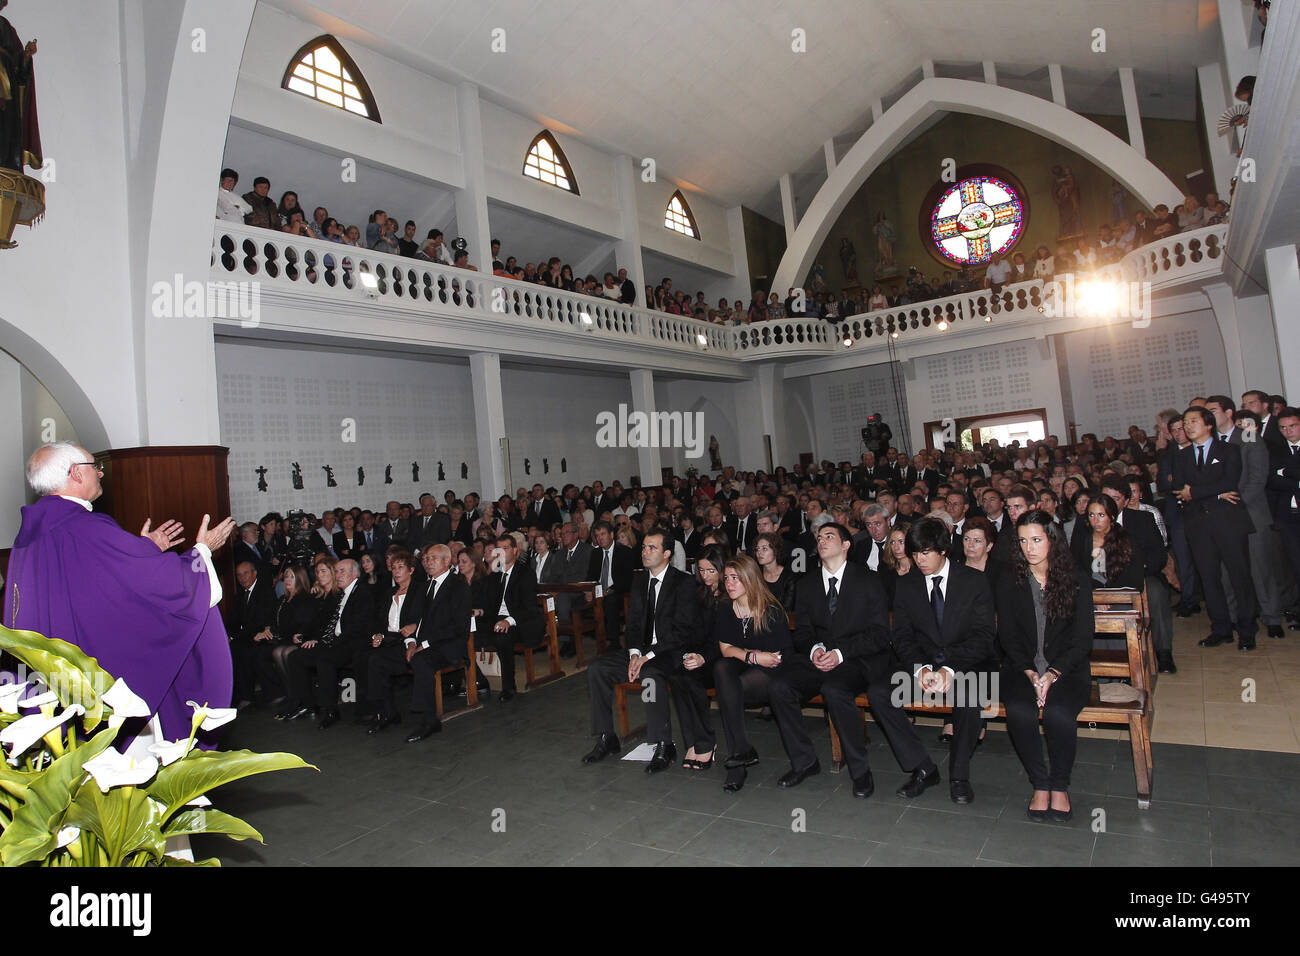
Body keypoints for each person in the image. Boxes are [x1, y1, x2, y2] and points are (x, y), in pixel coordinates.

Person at [5, 442, 236, 744]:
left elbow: (92, 584)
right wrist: (202, 551)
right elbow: (161, 585)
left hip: (57, 676)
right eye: (93, 467)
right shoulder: (85, 527)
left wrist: (145, 549)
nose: (100, 473)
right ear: (75, 473)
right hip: (102, 674)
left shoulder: (32, 533)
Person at [768, 523, 906, 800]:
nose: (822, 541)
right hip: (820, 658)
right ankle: (804, 761)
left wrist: (840, 653)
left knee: (835, 689)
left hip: (859, 658)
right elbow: (804, 632)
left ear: (846, 545)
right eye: (819, 537)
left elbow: (880, 634)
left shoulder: (868, 580)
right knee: (780, 686)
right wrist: (815, 649)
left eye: (829, 536)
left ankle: (860, 770)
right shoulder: (807, 583)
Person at [889, 518, 996, 804]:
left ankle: (959, 775)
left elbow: (984, 636)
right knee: (879, 692)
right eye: (914, 553)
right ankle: (923, 767)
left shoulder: (973, 581)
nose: (919, 560)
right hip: (922, 665)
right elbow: (901, 636)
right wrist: (921, 669)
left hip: (967, 664)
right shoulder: (907, 584)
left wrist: (949, 669)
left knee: (970, 697)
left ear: (943, 550)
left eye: (925, 553)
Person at [997, 511, 1094, 823]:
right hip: (1021, 668)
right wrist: (1028, 670)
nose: (1030, 548)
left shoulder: (1076, 580)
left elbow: (1082, 640)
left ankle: (1059, 785)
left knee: (1058, 713)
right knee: (1020, 711)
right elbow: (1008, 636)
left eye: (1036, 539)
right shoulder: (1010, 581)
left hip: (1067, 668)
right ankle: (1040, 783)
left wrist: (1052, 674)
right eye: (1023, 540)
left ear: (1052, 540)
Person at [582, 529, 698, 773]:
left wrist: (647, 657)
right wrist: (635, 653)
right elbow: (633, 623)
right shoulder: (640, 580)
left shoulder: (684, 582)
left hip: (669, 652)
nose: (645, 552)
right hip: (642, 651)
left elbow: (682, 631)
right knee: (597, 669)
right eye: (644, 547)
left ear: (667, 553)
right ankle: (606, 737)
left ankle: (663, 743)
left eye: (652, 548)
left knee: (651, 676)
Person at [1169, 406, 1258, 650]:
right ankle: (1221, 629)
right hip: (1198, 525)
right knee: (1209, 579)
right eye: (1185, 422)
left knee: (1240, 576)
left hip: (1228, 523)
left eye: (1193, 421)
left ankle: (1248, 630)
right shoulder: (1182, 457)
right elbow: (1178, 488)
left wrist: (1196, 492)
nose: (1188, 426)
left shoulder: (1229, 450)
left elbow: (1230, 482)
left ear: (1209, 424)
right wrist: (1217, 494)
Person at [708, 553, 793, 793]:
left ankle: (739, 759)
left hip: (774, 670)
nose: (729, 584)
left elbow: (776, 656)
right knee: (722, 668)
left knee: (729, 687)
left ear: (749, 579)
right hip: (749, 664)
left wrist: (748, 655)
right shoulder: (726, 608)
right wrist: (753, 656)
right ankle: (740, 751)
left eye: (736, 578)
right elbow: (725, 649)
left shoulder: (771, 609)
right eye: (726, 578)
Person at [278, 558, 377, 727]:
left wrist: (328, 641)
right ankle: (309, 704)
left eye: (342, 571)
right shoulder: (340, 593)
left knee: (325, 659)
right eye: (336, 571)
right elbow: (322, 622)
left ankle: (330, 710)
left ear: (354, 574)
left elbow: (358, 626)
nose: (338, 575)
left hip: (352, 643)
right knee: (296, 657)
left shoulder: (362, 592)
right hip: (335, 642)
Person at [356, 551, 423, 732]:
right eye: (393, 568)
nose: (396, 571)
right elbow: (379, 620)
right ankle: (378, 709)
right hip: (389, 640)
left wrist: (415, 625)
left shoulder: (420, 590)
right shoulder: (389, 592)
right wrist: (377, 635)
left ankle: (384, 712)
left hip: (408, 641)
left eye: (400, 567)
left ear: (411, 570)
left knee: (376, 661)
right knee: (364, 655)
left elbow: (427, 617)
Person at [476, 534, 543, 702]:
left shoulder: (526, 574)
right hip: (497, 619)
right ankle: (477, 681)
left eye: (505, 548)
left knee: (502, 636)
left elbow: (529, 608)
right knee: (465, 631)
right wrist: (480, 612)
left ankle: (508, 687)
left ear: (516, 550)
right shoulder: (494, 576)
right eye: (498, 549)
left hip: (520, 622)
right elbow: (488, 605)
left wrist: (509, 620)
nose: (501, 552)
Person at [227, 560, 279, 709]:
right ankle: (240, 695)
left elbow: (262, 620)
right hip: (247, 636)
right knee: (231, 649)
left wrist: (237, 636)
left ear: (254, 573)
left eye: (246, 573)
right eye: (239, 575)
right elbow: (233, 621)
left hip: (262, 635)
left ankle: (247, 696)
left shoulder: (265, 592)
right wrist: (230, 635)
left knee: (243, 649)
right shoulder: (240, 596)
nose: (243, 578)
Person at [1072, 495, 1144, 590]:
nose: (1096, 520)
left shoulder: (1125, 540)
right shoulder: (1083, 541)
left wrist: (1107, 598)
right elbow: (1076, 573)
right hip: (1090, 595)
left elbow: (1134, 579)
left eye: (1101, 515)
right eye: (1091, 515)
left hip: (1121, 595)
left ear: (1112, 516)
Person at [753, 531, 797, 611]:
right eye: (757, 549)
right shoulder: (755, 574)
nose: (759, 552)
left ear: (775, 550)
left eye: (764, 549)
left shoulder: (789, 577)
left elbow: (787, 608)